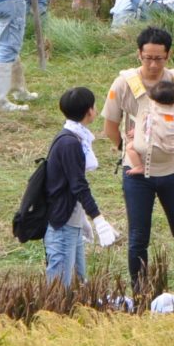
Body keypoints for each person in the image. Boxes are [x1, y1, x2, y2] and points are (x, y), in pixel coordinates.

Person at [102, 27, 174, 301]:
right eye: (148, 58)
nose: (153, 64)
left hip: (173, 172)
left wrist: (166, 146)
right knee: (138, 238)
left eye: (159, 58)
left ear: (168, 55)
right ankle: (140, 297)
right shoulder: (123, 83)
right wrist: (130, 150)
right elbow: (110, 127)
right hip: (137, 175)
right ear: (139, 54)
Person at [45, 87, 118, 289]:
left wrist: (82, 219)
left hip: (72, 220)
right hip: (63, 223)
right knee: (59, 288)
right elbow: (79, 185)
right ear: (89, 111)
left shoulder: (74, 137)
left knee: (79, 284)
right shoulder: (70, 143)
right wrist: (98, 219)